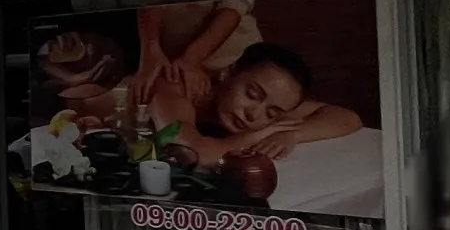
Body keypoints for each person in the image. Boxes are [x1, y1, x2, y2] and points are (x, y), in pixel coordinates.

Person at [143, 40, 359, 163]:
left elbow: (348, 118)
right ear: (229, 73)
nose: (254, 115)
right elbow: (192, 153)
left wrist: (292, 134)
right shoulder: (174, 88)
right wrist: (259, 134)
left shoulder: (269, 106)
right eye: (252, 94)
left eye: (273, 113)